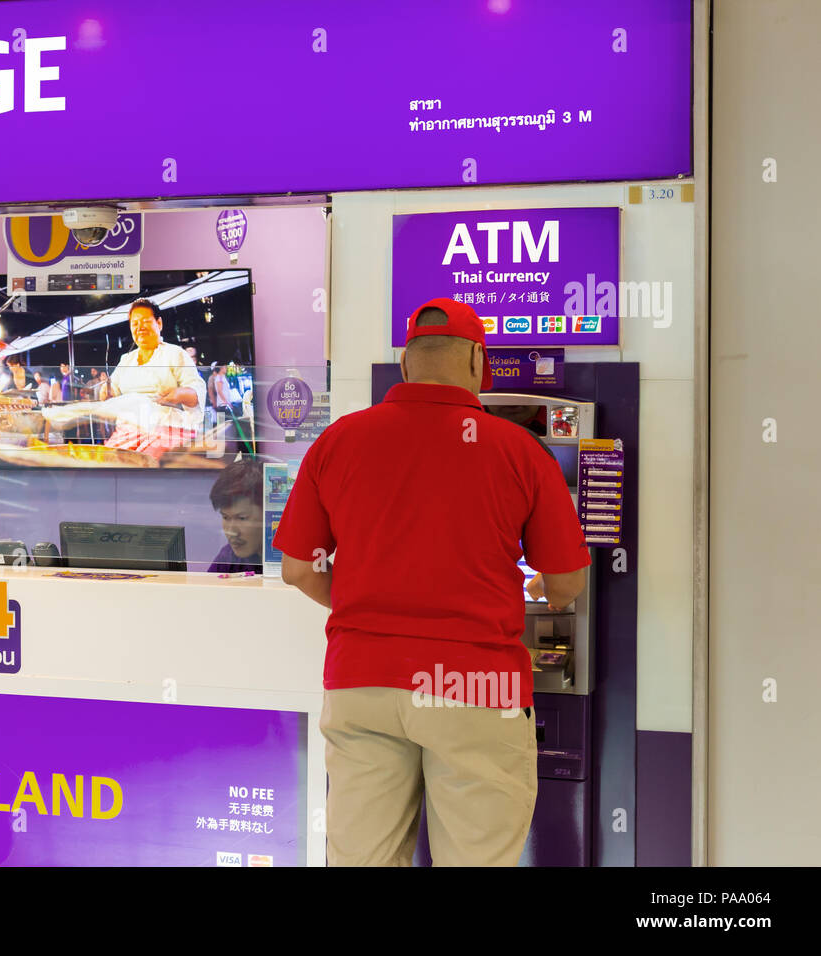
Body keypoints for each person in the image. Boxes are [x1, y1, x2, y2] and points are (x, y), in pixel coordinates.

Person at [274, 297, 590, 867]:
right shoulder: (519, 449)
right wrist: (534, 593)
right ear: (477, 359)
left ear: (404, 361)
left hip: (361, 684)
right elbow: (566, 581)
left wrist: (362, 607)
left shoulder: (339, 440)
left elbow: (300, 569)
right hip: (477, 688)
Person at [104, 298, 206, 459]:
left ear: (159, 323)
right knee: (107, 461)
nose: (140, 328)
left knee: (143, 462)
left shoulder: (175, 354)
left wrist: (178, 394)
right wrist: (106, 392)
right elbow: (112, 391)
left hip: (166, 432)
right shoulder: (126, 359)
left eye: (145, 321)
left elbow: (197, 391)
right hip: (127, 433)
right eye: (135, 324)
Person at [206, 457, 264, 573]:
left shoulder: (292, 561)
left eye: (242, 518)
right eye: (225, 517)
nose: (231, 531)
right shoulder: (228, 557)